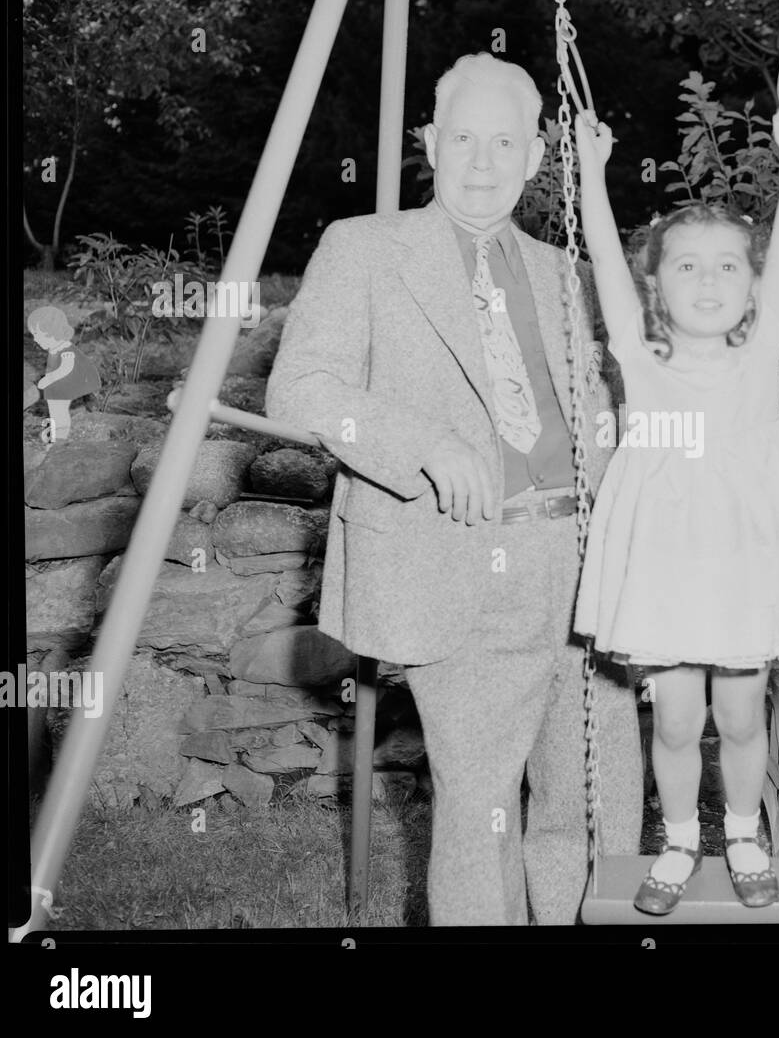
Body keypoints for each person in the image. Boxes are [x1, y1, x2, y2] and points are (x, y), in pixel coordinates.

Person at [266, 52, 643, 926]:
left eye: (504, 141)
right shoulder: (362, 248)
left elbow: (605, 407)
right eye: (463, 137)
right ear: (430, 142)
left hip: (586, 565)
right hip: (463, 559)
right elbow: (302, 389)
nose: (482, 160)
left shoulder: (562, 272)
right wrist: (427, 443)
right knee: (483, 812)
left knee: (593, 799)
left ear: (536, 152)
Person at [571, 99, 779, 914]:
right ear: (655, 286)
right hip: (668, 568)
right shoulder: (641, 366)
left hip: (743, 560)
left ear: (753, 290)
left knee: (742, 713)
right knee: (677, 721)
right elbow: (606, 266)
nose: (708, 280)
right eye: (686, 265)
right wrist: (590, 176)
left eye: (727, 267)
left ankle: (742, 835)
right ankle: (680, 842)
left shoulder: (758, 361)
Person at [29, 305, 101, 442]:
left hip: (73, 384)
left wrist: (49, 379)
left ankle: (58, 438)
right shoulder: (54, 348)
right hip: (62, 386)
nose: (35, 339)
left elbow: (66, 369)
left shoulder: (65, 349)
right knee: (54, 409)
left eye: (37, 334)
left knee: (58, 411)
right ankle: (54, 437)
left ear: (51, 332)